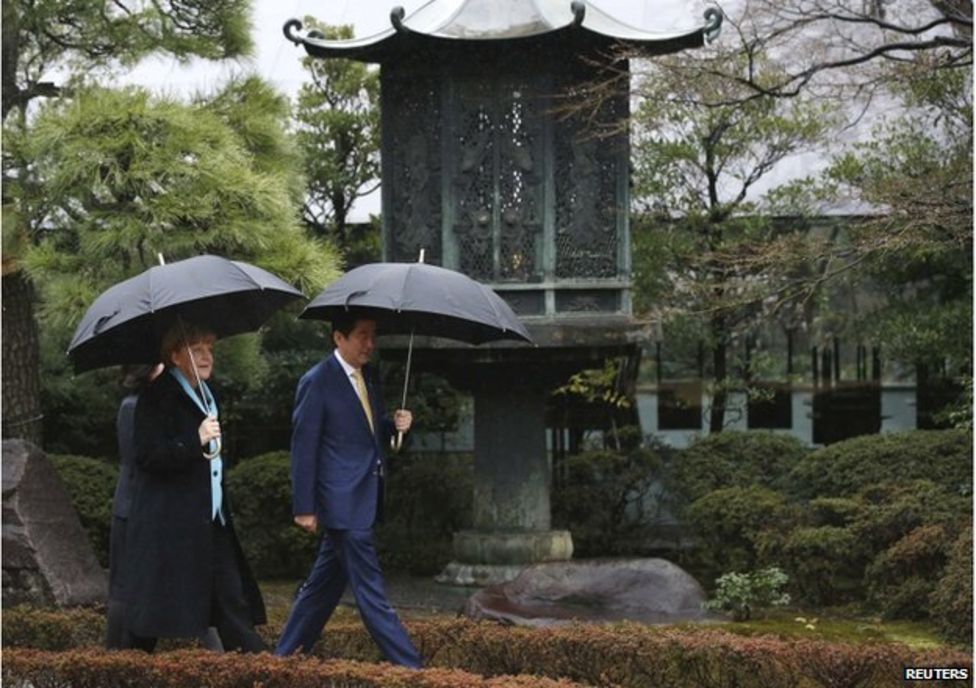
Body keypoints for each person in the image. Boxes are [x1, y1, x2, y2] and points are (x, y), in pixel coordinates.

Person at [275, 312, 421, 668]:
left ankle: (280, 663)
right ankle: (414, 671)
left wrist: (394, 425)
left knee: (319, 593)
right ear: (338, 338)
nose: (370, 344)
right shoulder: (317, 381)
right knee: (372, 596)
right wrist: (303, 506)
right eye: (362, 335)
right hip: (341, 502)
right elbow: (304, 446)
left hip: (362, 497)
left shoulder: (368, 376)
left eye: (373, 335)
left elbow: (366, 433)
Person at [124, 322, 266, 652]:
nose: (206, 357)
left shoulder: (205, 393)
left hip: (209, 520)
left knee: (231, 600)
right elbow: (147, 456)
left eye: (210, 349)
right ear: (175, 356)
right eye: (197, 349)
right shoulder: (156, 396)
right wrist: (195, 439)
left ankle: (260, 668)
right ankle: (125, 669)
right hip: (169, 524)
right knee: (150, 615)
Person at [106, 363, 163, 651]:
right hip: (132, 508)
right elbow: (140, 459)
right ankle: (117, 657)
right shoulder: (132, 407)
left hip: (154, 509)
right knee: (125, 589)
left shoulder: (159, 407)